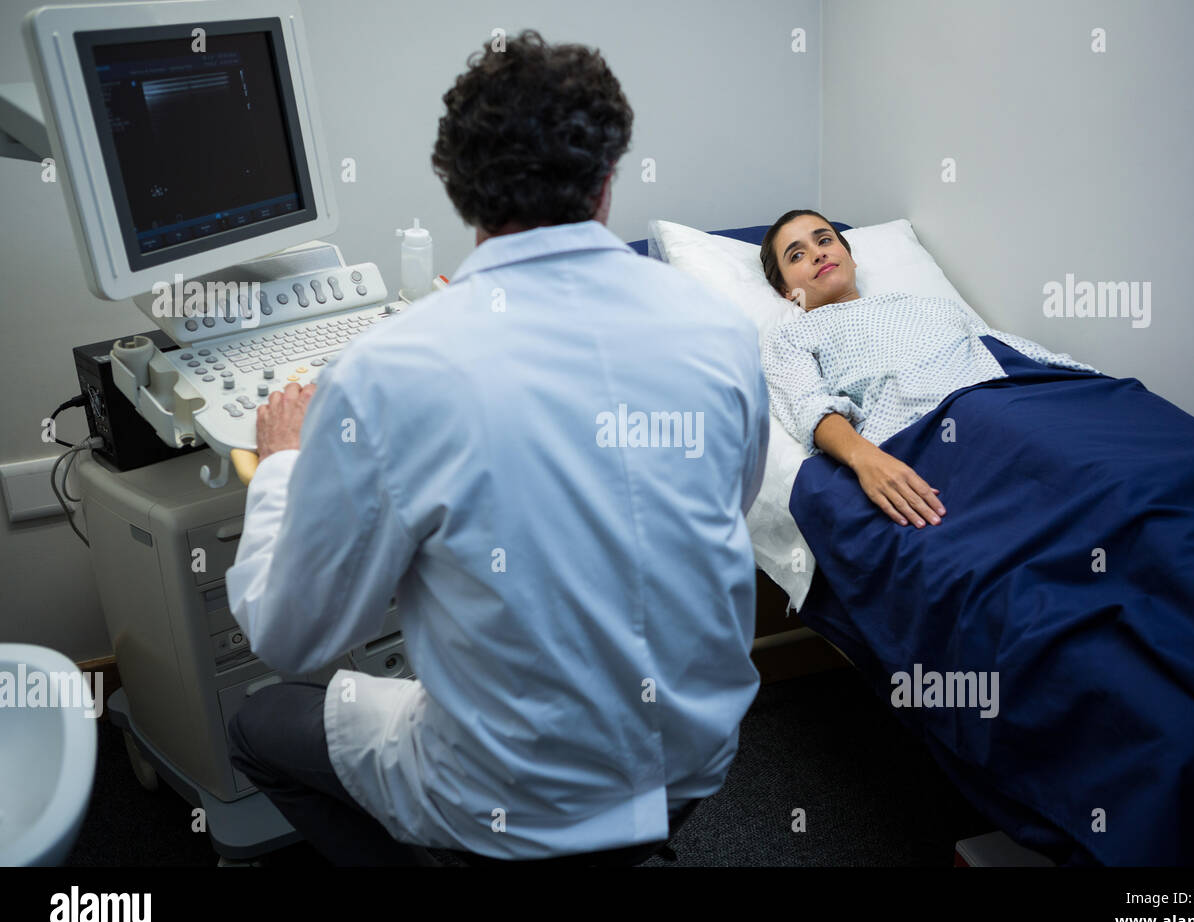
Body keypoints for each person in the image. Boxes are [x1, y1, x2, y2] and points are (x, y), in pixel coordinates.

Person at [224, 30, 768, 864]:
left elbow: (292, 636)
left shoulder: (390, 373)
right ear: (609, 174)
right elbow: (719, 510)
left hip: (508, 808)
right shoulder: (721, 332)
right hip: (692, 767)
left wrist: (285, 464)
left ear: (459, 189)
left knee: (260, 723)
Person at [758, 209, 1096, 529]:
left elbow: (1004, 347)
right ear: (786, 291)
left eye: (825, 240)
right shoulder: (792, 336)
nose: (817, 253)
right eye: (797, 255)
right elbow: (808, 406)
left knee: (1108, 465)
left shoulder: (929, 305)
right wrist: (864, 458)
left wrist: (1086, 381)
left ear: (851, 257)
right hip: (942, 424)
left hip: (1020, 396)